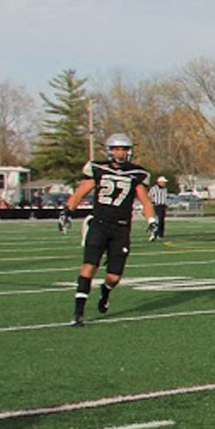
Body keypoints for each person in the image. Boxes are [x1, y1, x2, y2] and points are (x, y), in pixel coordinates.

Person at [65, 132, 157, 326]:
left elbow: (146, 201)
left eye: (123, 149)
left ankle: (105, 290)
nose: (120, 153)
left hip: (121, 228)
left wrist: (151, 220)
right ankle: (78, 313)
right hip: (98, 224)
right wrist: (67, 212)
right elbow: (80, 193)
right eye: (116, 149)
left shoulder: (137, 173)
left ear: (129, 151)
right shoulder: (99, 169)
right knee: (89, 266)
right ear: (109, 151)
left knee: (114, 277)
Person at [147, 175, 169, 241]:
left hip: (163, 206)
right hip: (156, 206)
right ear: (159, 182)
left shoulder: (165, 189)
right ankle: (154, 234)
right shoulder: (154, 189)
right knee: (157, 221)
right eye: (163, 182)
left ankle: (160, 235)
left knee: (162, 221)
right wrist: (152, 203)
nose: (164, 183)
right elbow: (149, 196)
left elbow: (165, 198)